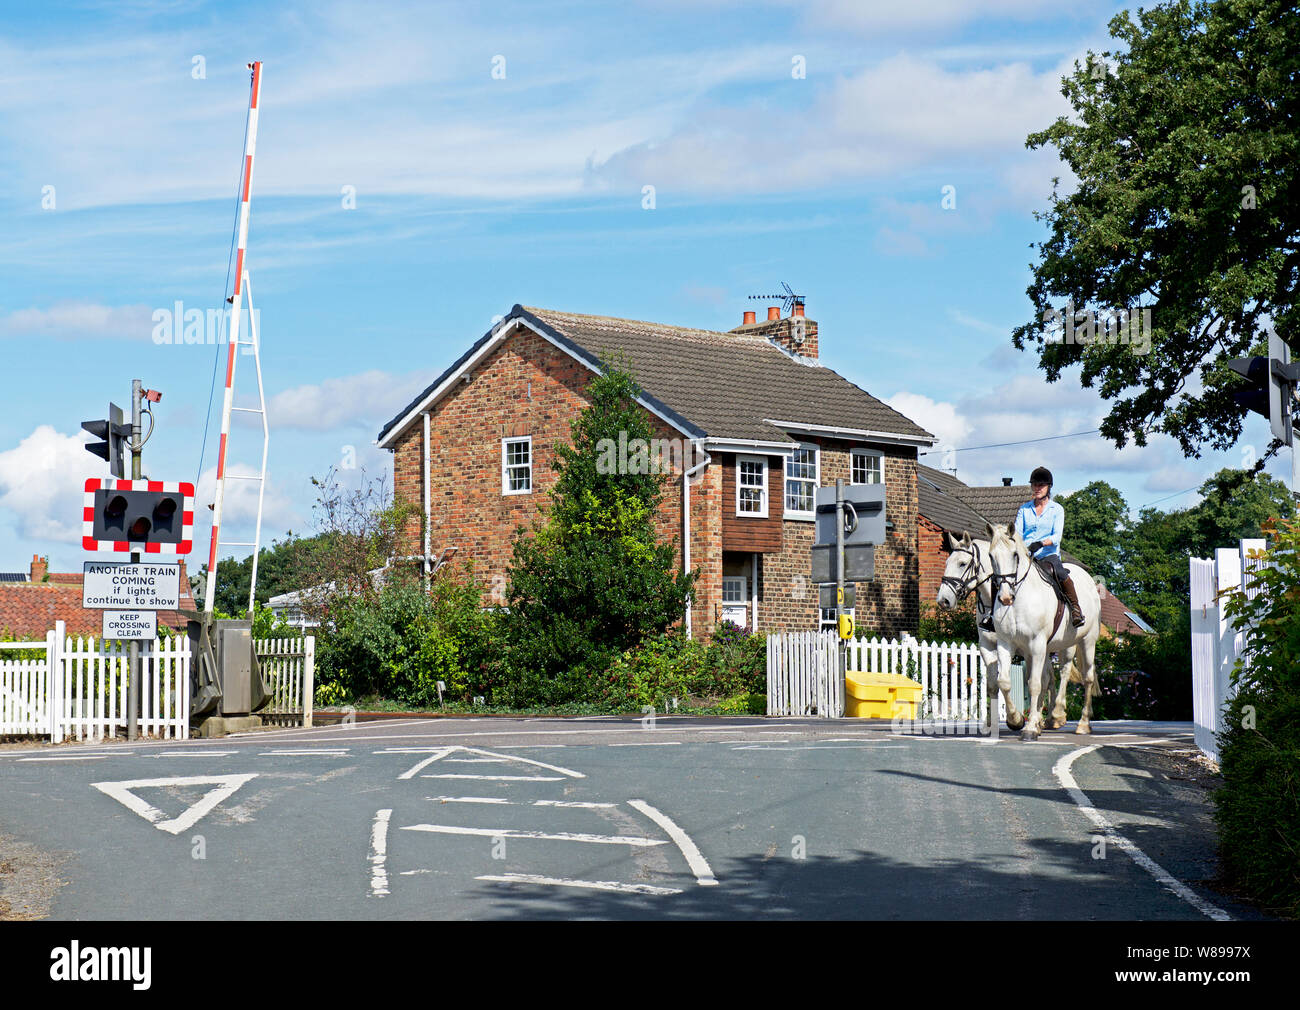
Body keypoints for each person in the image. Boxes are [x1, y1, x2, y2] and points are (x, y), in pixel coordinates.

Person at [980, 466, 1084, 630]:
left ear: (1048, 487)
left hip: (1048, 555)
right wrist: (1021, 546)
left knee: (1061, 573)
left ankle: (1076, 609)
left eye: (1040, 485)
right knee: (998, 576)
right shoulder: (1024, 509)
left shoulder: (1057, 509)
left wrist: (1041, 543)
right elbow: (1018, 533)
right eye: (1034, 485)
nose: (1037, 488)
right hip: (1027, 554)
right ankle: (992, 616)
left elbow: (1057, 536)